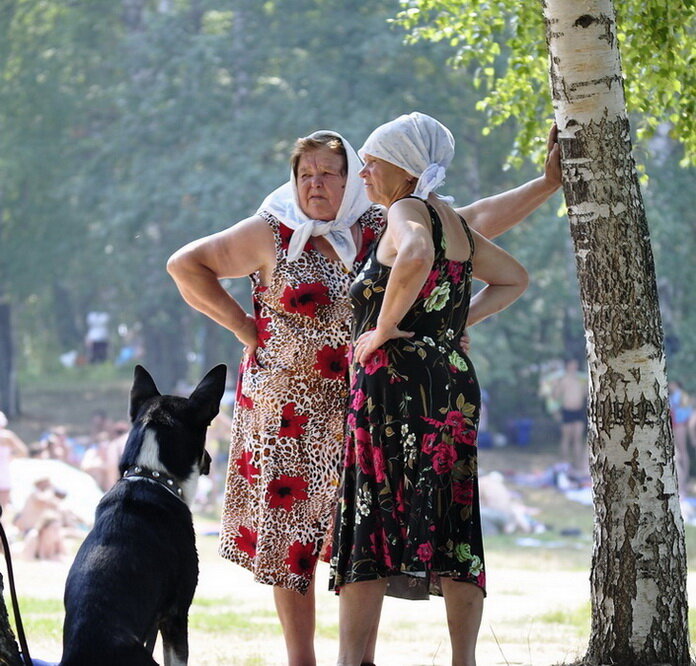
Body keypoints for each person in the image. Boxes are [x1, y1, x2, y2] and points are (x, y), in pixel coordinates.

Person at [167, 126, 561, 666]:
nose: (315, 184)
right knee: (292, 537)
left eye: (329, 172)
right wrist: (245, 328)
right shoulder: (271, 229)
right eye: (305, 174)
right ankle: (301, 659)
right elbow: (186, 265)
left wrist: (543, 186)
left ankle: (361, 658)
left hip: (370, 402)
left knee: (362, 535)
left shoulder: (381, 220)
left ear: (353, 176)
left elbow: (471, 227)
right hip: (288, 411)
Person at [328, 112, 531, 666]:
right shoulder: (453, 220)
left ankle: (354, 661)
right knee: (452, 513)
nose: (362, 171)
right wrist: (454, 328)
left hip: (393, 384)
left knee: (371, 513)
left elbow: (415, 253)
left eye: (370, 161)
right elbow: (514, 276)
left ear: (402, 166)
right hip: (450, 382)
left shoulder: (405, 211)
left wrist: (386, 327)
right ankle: (462, 660)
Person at [552, 358, 588, 474]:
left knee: (577, 438)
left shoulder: (580, 380)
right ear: (567, 366)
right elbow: (555, 396)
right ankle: (565, 462)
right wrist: (555, 386)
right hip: (567, 411)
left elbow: (585, 394)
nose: (574, 367)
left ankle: (577, 464)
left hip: (578, 411)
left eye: (575, 364)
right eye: (572, 364)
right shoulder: (563, 380)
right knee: (566, 437)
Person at [0, 411, 29, 513]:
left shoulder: (7, 437)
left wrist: (10, 457)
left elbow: (23, 451)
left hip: (3, 473)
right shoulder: (7, 436)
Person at [669, 380, 693, 492]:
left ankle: (684, 478)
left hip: (679, 425)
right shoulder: (675, 396)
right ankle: (682, 477)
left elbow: (685, 412)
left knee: (682, 452)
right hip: (676, 425)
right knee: (679, 452)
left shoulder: (680, 395)